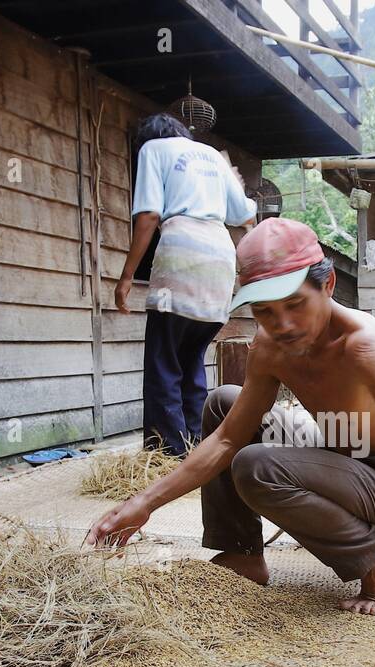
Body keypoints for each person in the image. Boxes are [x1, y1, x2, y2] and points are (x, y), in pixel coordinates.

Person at [89, 218, 375, 638]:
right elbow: (225, 439)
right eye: (264, 311)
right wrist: (143, 503)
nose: (282, 325)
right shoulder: (271, 347)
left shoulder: (364, 345)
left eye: (296, 304)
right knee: (223, 404)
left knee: (257, 466)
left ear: (329, 285)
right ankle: (243, 554)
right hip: (340, 448)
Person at [118, 113, 257, 457]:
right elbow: (244, 215)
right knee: (192, 357)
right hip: (219, 261)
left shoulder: (152, 149)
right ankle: (197, 444)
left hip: (182, 256)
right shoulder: (211, 155)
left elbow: (149, 215)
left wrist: (125, 277)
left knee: (163, 360)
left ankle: (167, 454)